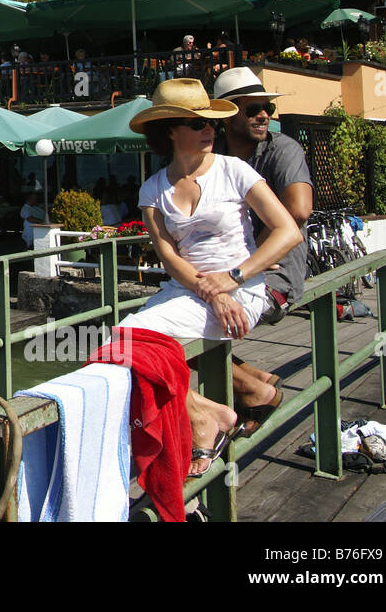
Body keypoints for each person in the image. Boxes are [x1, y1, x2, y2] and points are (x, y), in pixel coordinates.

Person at [121, 79, 302, 476]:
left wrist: (232, 278)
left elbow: (289, 231)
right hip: (188, 290)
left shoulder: (233, 169)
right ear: (169, 129)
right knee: (123, 346)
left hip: (244, 288)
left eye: (210, 123)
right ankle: (209, 410)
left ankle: (206, 420)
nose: (209, 130)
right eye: (196, 122)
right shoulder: (153, 188)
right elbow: (169, 256)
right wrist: (210, 290)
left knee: (126, 339)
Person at [213, 67, 312, 431]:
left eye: (267, 107)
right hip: (227, 271)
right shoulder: (214, 153)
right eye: (252, 108)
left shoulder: (281, 148)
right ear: (226, 113)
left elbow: (300, 211)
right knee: (170, 324)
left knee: (188, 326)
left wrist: (250, 259)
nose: (264, 114)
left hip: (275, 272)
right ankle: (254, 380)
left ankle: (252, 389)